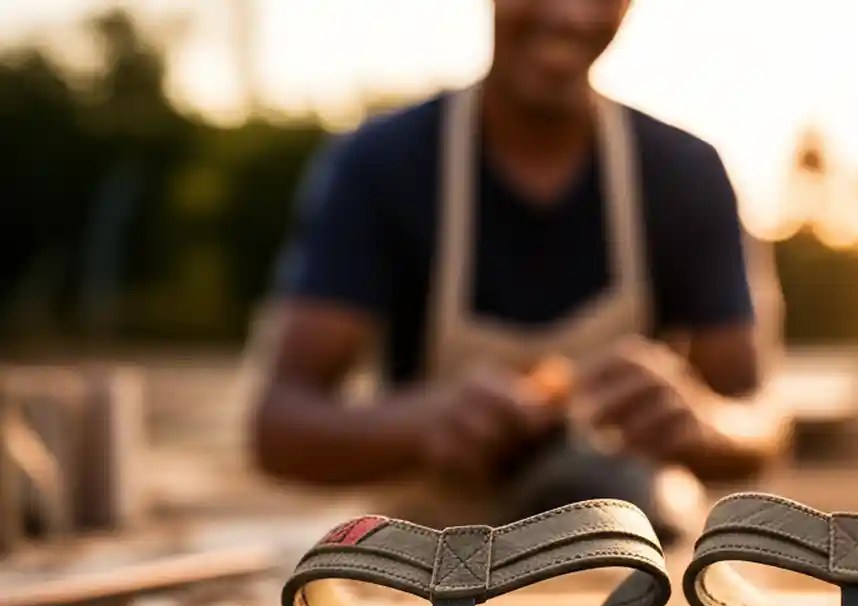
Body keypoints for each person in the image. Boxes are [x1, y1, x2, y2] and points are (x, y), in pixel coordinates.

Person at [251, 0, 786, 540]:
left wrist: (697, 422)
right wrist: (420, 424)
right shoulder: (380, 167)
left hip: (629, 563)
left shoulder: (684, 175)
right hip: (432, 569)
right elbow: (280, 426)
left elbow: (761, 418)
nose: (571, 15)